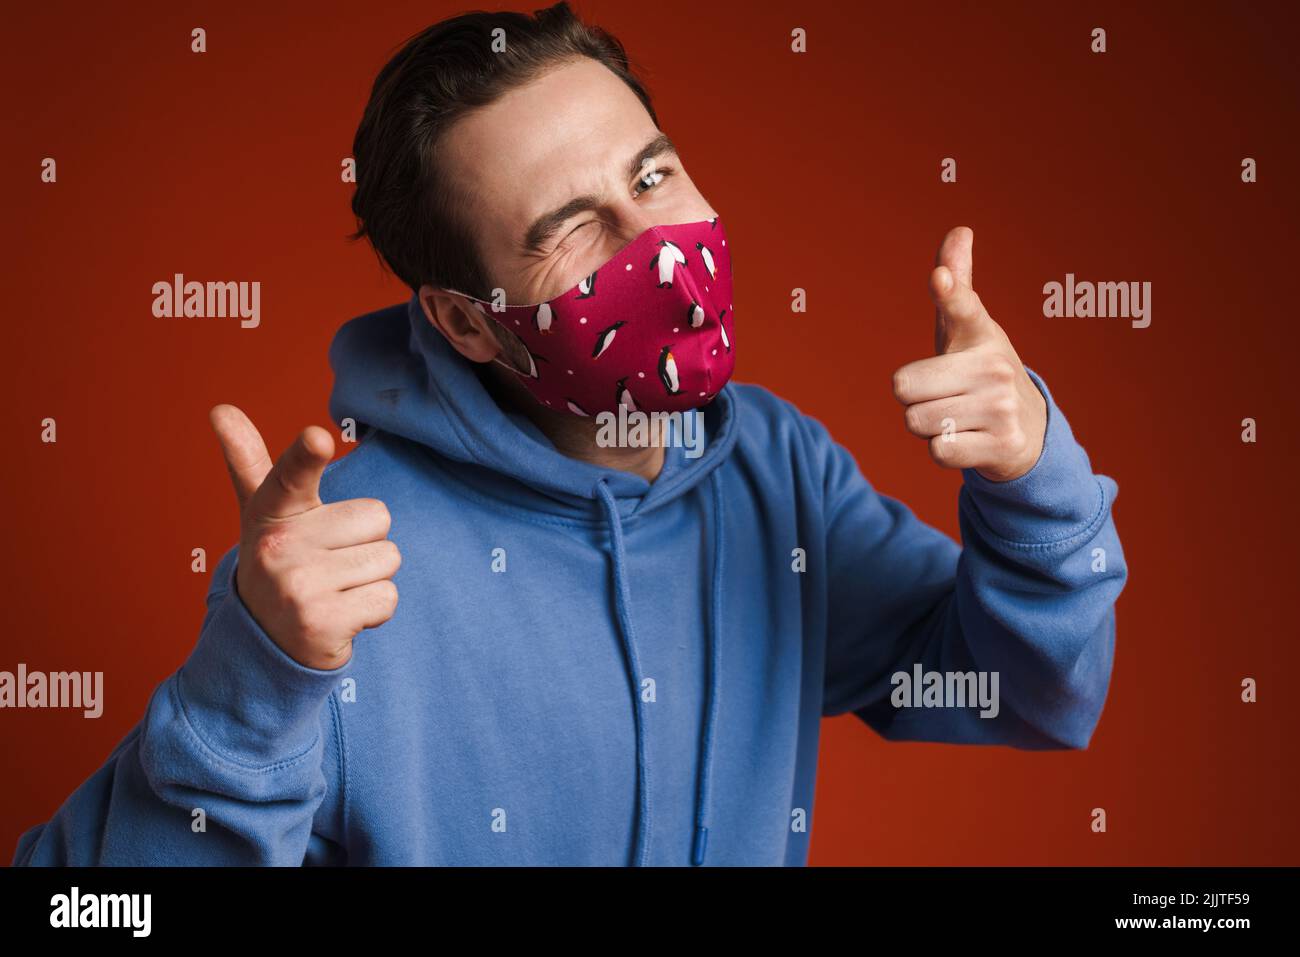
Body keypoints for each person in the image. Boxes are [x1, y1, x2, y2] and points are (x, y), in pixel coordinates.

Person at [13, 2, 1126, 867]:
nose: (658, 243)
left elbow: (1023, 698)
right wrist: (253, 682)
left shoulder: (774, 470)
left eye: (652, 175)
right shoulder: (334, 576)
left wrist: (1034, 481)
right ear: (465, 322)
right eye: (571, 231)